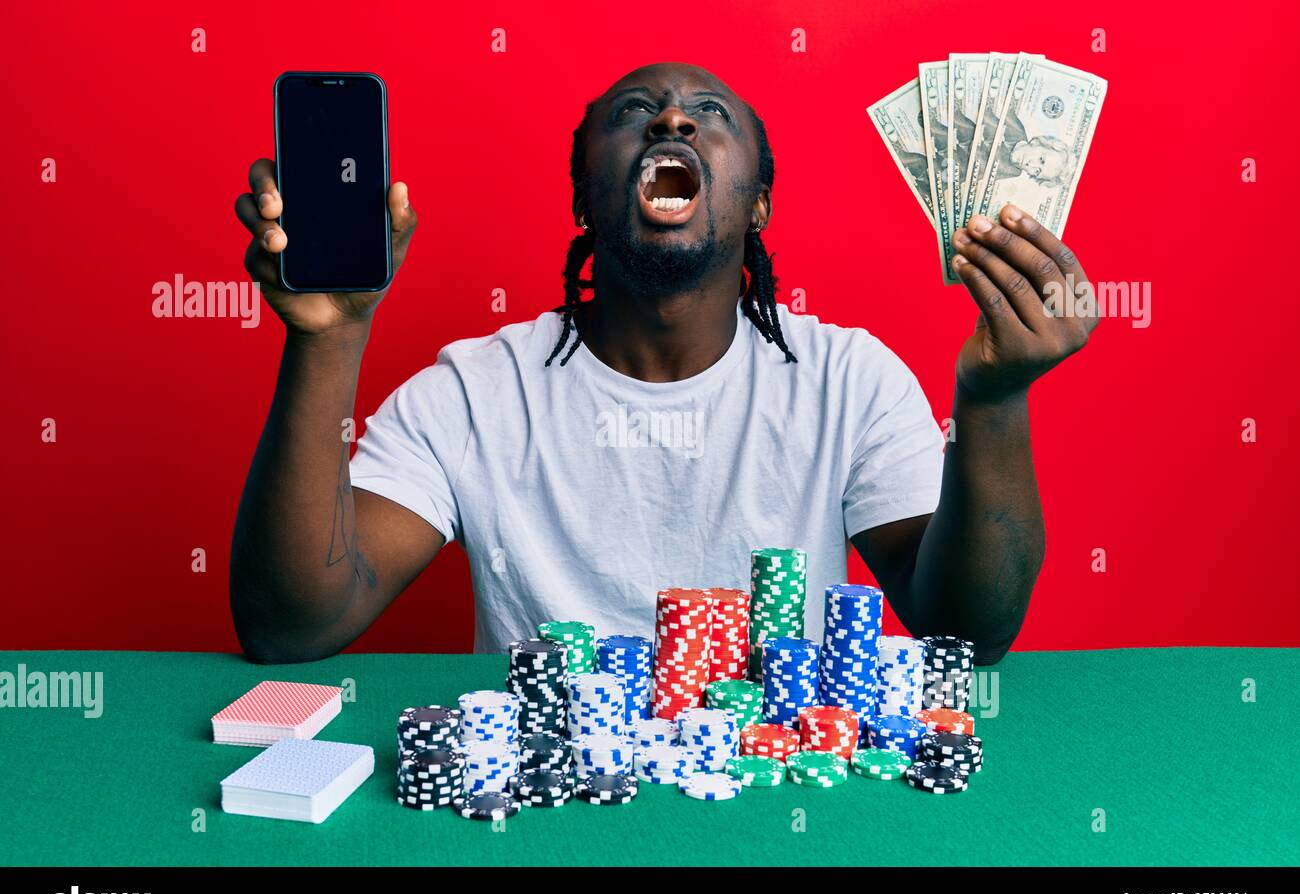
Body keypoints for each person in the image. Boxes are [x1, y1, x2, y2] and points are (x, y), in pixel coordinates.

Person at [229, 62, 1099, 667]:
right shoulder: (473, 391)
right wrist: (327, 338)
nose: (672, 119)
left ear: (758, 203)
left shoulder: (851, 383)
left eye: (707, 114)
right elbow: (293, 625)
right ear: (583, 196)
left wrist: (993, 401)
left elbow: (966, 632)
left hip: (779, 804)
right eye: (633, 112)